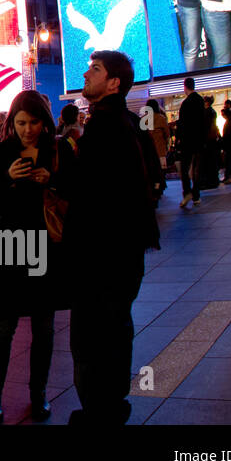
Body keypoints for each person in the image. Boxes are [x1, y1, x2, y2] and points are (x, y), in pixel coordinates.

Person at [66, 51, 160, 425]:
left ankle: (97, 411)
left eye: (96, 69)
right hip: (127, 251)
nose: (86, 73)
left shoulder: (103, 127)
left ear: (114, 83)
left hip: (100, 254)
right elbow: (152, 177)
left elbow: (85, 190)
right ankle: (115, 403)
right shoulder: (131, 123)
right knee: (117, 327)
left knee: (90, 337)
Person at [0, 91, 73, 423]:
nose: (27, 129)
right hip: (11, 244)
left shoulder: (59, 148)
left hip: (48, 245)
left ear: (44, 121)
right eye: (20, 122)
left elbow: (77, 191)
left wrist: (54, 180)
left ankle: (39, 394)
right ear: (11, 121)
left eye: (34, 122)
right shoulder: (0, 152)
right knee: (3, 328)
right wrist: (8, 179)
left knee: (44, 328)